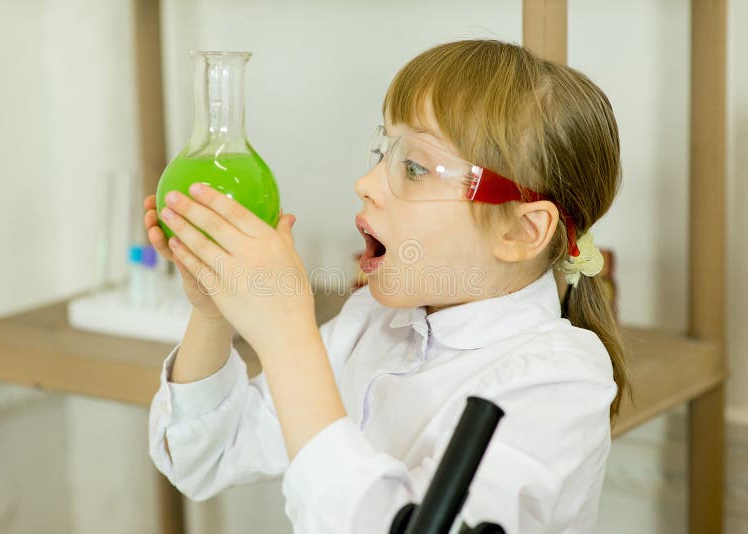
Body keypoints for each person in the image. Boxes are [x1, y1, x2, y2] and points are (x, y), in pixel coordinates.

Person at [144, 39, 631, 534]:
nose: (366, 182)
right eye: (383, 151)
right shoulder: (373, 322)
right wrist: (213, 314)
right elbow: (203, 457)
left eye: (415, 167)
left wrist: (288, 339)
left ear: (521, 231)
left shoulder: (560, 380)